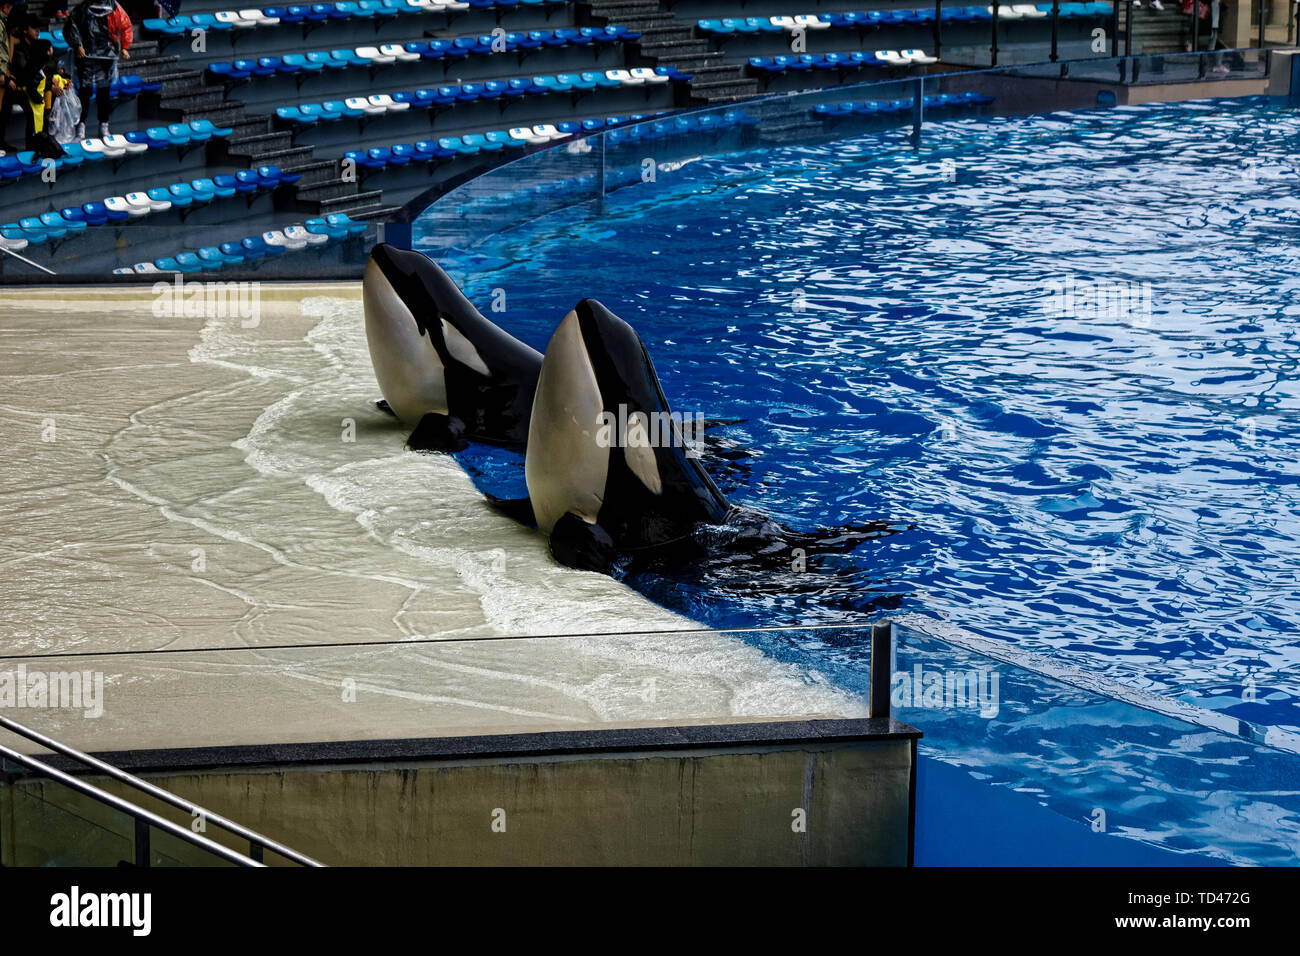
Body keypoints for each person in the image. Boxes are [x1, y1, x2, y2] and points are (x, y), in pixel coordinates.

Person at [62, 0, 131, 140]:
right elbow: (71, 26)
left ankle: (104, 125)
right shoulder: (83, 8)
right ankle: (80, 127)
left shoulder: (114, 7)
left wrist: (124, 47)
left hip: (106, 55)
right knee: (85, 91)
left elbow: (126, 26)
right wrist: (77, 45)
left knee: (104, 91)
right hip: (86, 54)